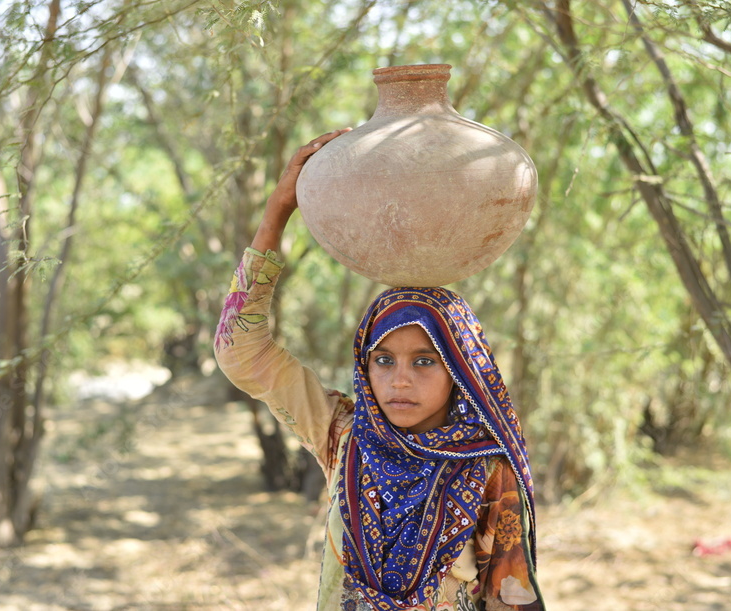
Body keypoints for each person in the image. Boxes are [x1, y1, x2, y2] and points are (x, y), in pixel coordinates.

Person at [215, 129, 545, 611]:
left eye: (425, 361)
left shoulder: (487, 466)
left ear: (460, 369)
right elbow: (239, 351)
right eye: (383, 360)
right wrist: (277, 213)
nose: (400, 379)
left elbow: (509, 596)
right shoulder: (344, 436)